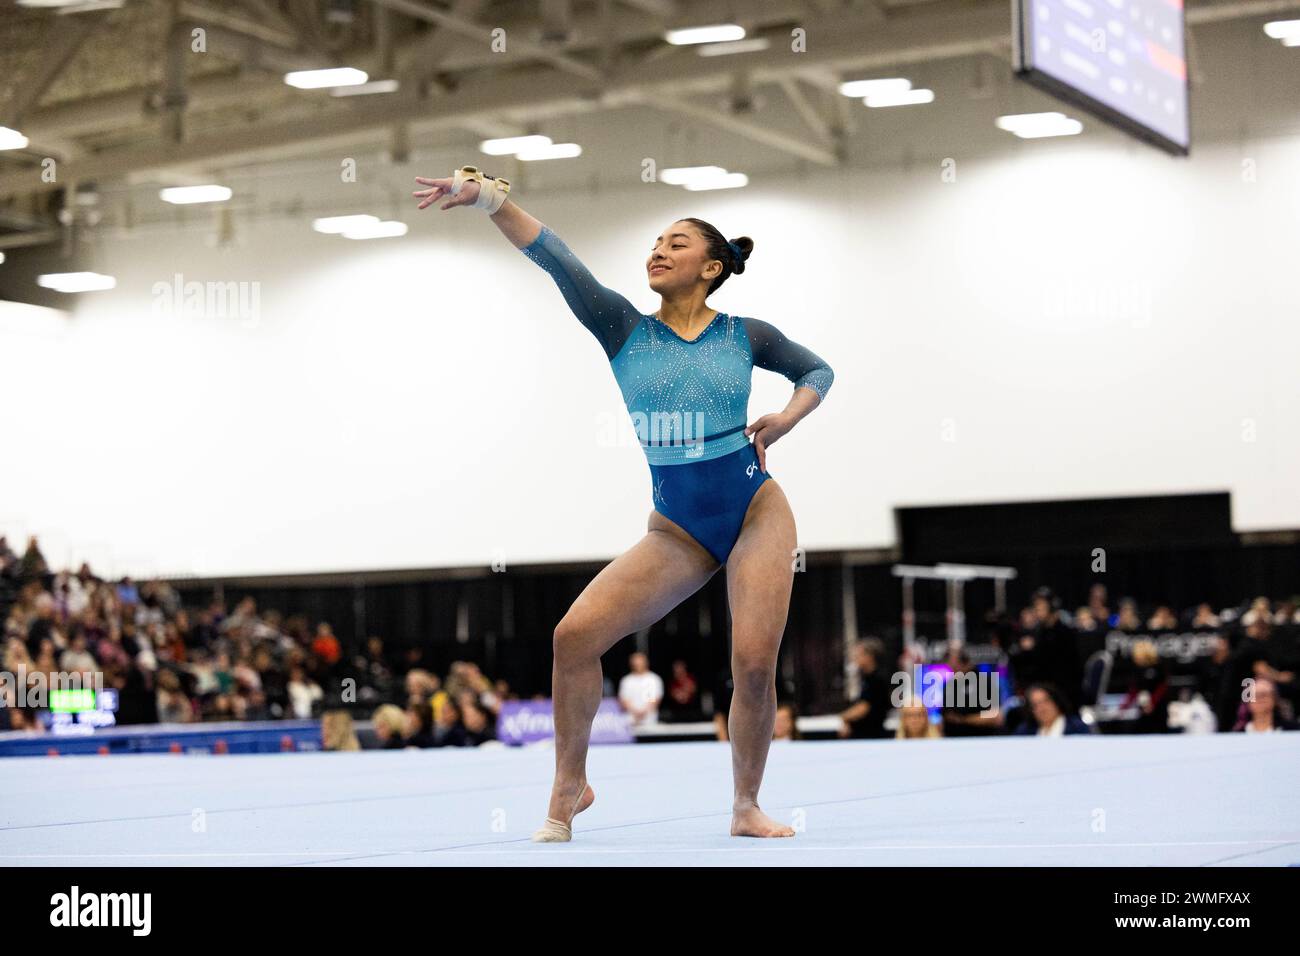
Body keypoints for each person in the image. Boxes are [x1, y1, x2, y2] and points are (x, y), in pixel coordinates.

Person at [413, 165, 833, 841]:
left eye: (677, 242)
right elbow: (557, 260)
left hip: (756, 509)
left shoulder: (744, 335)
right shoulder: (621, 328)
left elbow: (818, 371)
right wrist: (490, 199)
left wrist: (787, 416)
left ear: (713, 266)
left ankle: (745, 805)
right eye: (655, 241)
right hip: (678, 530)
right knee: (573, 638)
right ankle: (571, 784)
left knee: (752, 663)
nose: (658, 250)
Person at [838, 638, 892, 739]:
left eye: (858, 655)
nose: (854, 658)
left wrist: (843, 717)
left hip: (871, 735)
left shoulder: (876, 679)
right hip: (863, 734)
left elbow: (864, 707)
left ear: (869, 657)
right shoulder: (865, 678)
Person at [1014, 683, 1093, 736]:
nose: (1042, 708)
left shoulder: (1077, 728)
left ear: (1056, 702)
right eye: (1035, 705)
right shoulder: (1025, 731)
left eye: (1045, 701)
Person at [617, 652, 664, 726]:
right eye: (635, 663)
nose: (637, 665)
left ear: (645, 663)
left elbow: (654, 699)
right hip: (630, 720)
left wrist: (643, 712)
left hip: (649, 719)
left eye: (640, 663)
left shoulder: (652, 679)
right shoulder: (627, 680)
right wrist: (635, 712)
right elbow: (624, 700)